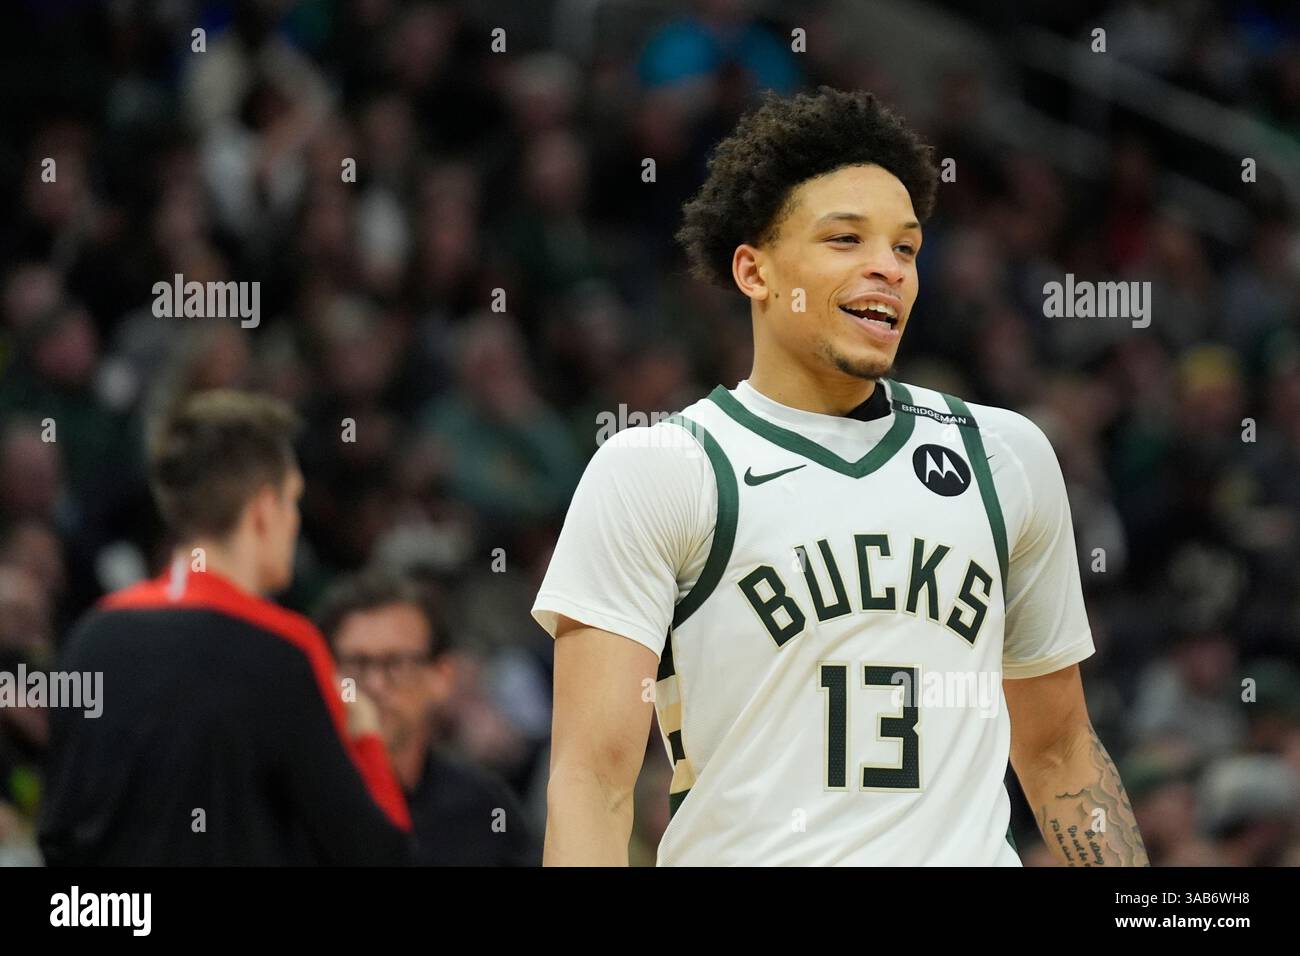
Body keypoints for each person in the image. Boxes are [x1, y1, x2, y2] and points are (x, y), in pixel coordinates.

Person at [534, 86, 1149, 866]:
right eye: (845, 240)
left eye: (905, 248)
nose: (887, 269)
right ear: (755, 272)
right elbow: (592, 782)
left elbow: (1061, 752)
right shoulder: (661, 470)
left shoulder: (1007, 456)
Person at [38, 390, 413, 865]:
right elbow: (377, 854)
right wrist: (365, 734)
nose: (294, 520)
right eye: (292, 500)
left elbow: (58, 834)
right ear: (262, 510)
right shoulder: (284, 649)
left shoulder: (91, 636)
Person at [317, 568, 539, 866]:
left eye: (396, 663)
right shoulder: (296, 803)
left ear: (442, 677)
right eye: (356, 664)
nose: (375, 685)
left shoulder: (482, 808)